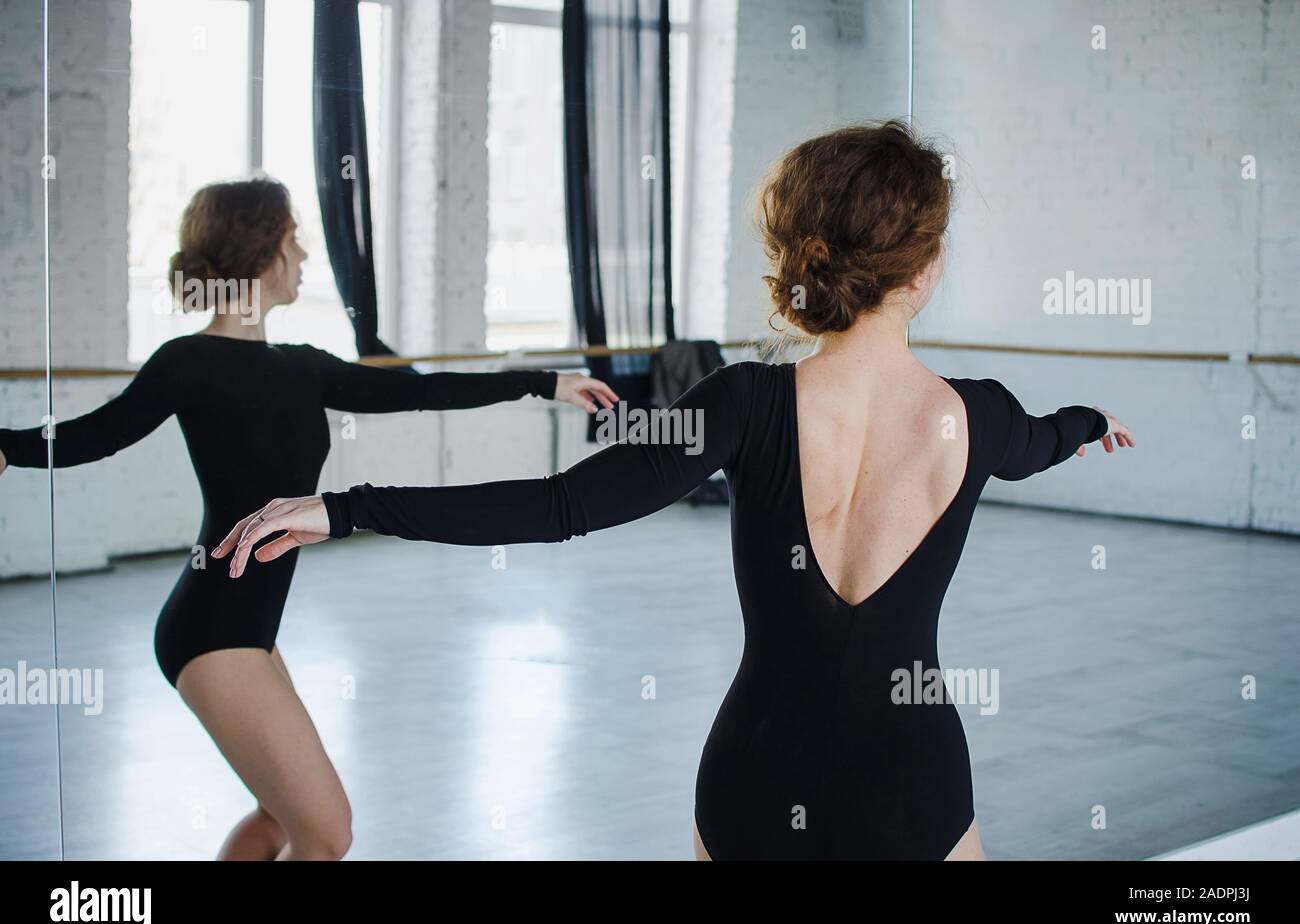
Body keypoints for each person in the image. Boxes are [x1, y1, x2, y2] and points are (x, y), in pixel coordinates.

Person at [217, 124, 1136, 860]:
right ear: (925, 269)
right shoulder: (978, 419)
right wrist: (1093, 421)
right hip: (914, 785)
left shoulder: (745, 402)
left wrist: (346, 506)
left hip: (755, 779)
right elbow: (1046, 441)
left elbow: (562, 503)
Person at [0, 177, 617, 860]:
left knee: (279, 817)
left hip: (252, 631)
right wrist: (7, 447)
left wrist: (546, 381)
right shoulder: (188, 362)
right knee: (327, 832)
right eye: (293, 239)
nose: (303, 256)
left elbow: (422, 392)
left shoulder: (302, 367)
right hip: (213, 630)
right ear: (261, 250)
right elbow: (96, 434)